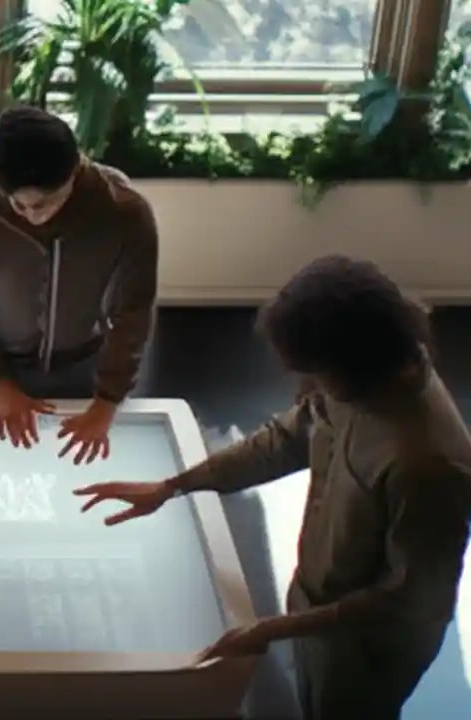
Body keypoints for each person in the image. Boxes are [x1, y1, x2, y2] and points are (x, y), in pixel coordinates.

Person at [74, 255, 471, 720]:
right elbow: (286, 438)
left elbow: (404, 600)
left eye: (316, 373)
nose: (307, 386)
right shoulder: (366, 374)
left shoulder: (427, 467)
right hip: (320, 604)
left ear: (352, 361)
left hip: (368, 649)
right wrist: (174, 485)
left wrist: (274, 629)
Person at [0, 106, 159, 464]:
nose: (32, 215)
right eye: (18, 205)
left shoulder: (123, 211)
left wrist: (107, 401)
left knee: (81, 469)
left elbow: (133, 314)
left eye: (45, 203)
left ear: (75, 170)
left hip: (85, 369)